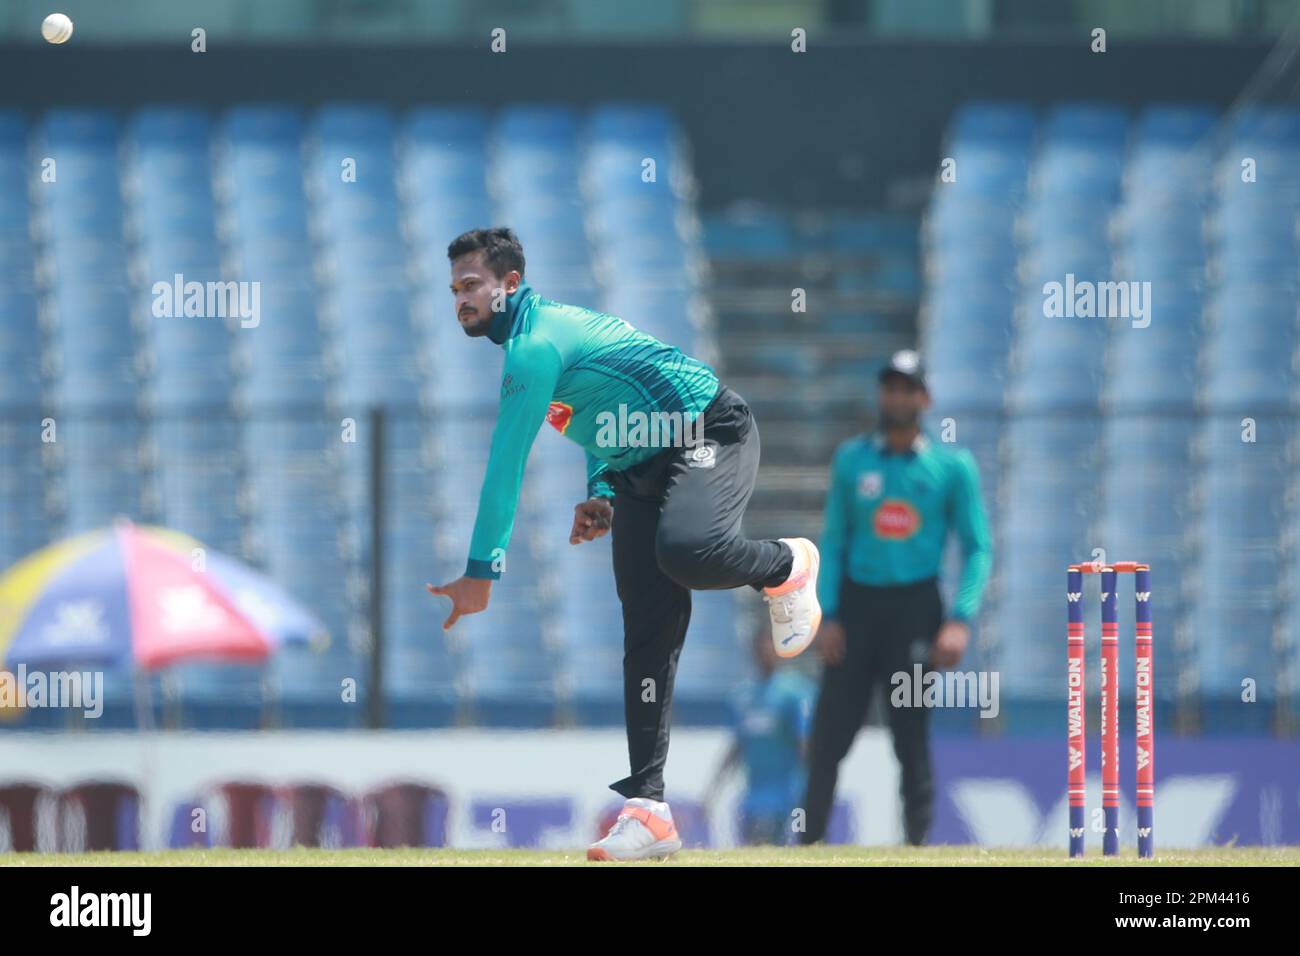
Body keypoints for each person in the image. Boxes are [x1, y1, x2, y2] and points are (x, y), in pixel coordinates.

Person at [426, 228, 824, 861]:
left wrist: (482, 571)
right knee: (646, 632)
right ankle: (649, 810)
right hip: (639, 468)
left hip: (708, 431)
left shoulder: (533, 346)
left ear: (510, 285)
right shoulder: (536, 342)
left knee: (686, 552)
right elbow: (604, 407)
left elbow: (506, 462)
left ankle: (786, 563)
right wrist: (601, 487)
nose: (460, 300)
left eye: (471, 285)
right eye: (453, 289)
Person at [799, 349, 992, 846]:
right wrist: (829, 613)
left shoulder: (952, 467)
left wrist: (960, 619)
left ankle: (917, 847)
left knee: (910, 737)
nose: (897, 396)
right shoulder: (853, 460)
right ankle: (808, 844)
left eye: (908, 387)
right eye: (890, 386)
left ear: (924, 398)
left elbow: (977, 548)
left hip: (915, 611)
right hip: (857, 610)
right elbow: (835, 539)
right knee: (829, 736)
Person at [702, 622, 816, 846]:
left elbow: (806, 745)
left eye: (770, 646)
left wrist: (813, 792)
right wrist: (713, 790)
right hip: (753, 799)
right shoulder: (743, 696)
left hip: (788, 798)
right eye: (760, 646)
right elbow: (736, 747)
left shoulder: (794, 693)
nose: (765, 652)